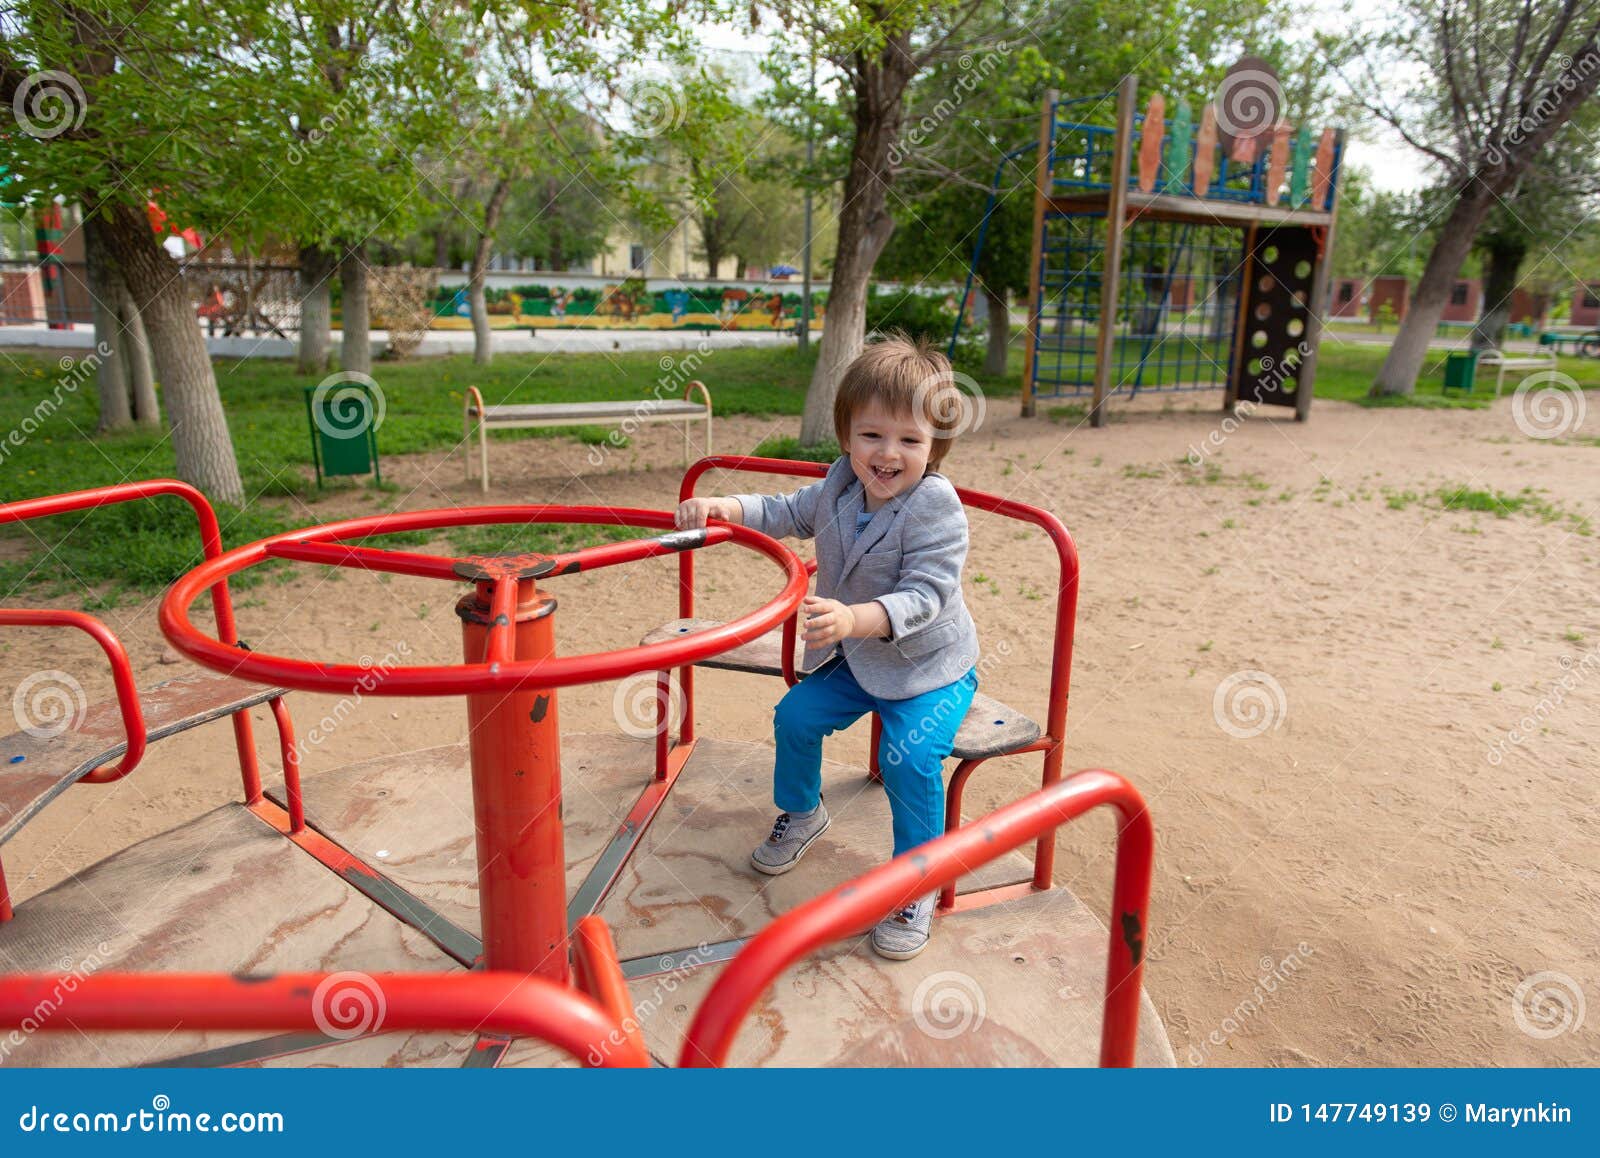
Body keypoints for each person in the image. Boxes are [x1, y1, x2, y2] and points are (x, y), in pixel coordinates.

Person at [675, 335, 978, 960]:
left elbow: (926, 596)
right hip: (859, 659)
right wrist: (725, 504)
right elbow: (787, 509)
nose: (887, 454)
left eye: (909, 441)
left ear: (934, 447)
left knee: (908, 759)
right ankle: (804, 812)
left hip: (929, 668)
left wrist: (855, 617)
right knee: (796, 716)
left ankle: (915, 881)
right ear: (846, 436)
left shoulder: (936, 507)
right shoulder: (840, 485)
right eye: (871, 435)